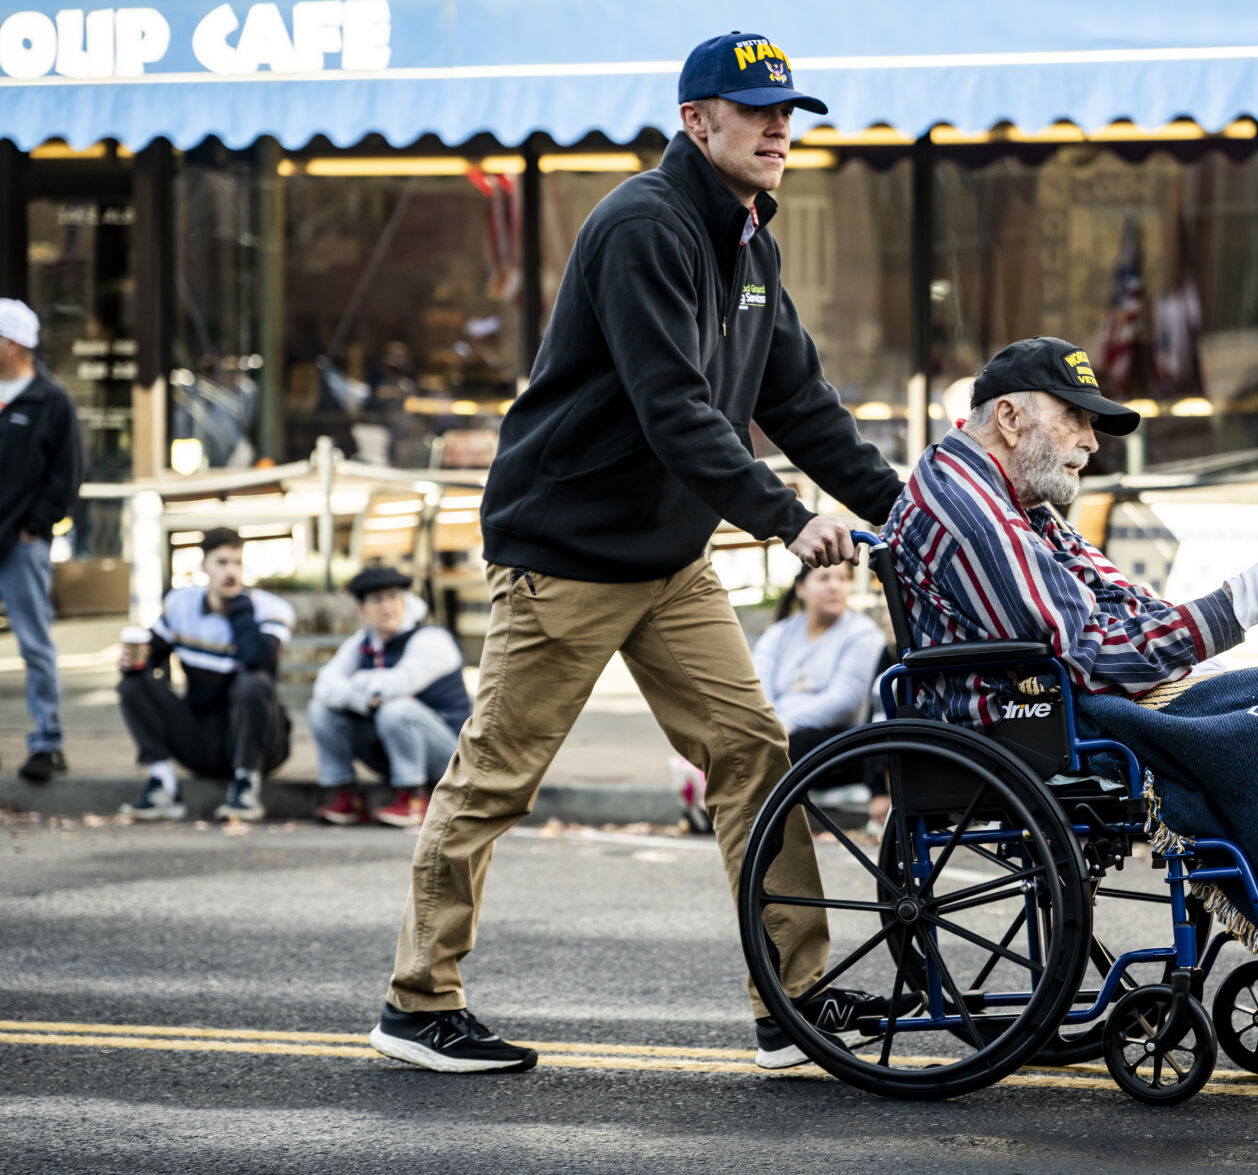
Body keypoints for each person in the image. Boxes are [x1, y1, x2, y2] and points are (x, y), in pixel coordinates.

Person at [369, 30, 913, 1077]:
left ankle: (790, 1002)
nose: (778, 127)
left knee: (755, 749)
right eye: (753, 110)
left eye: (786, 111)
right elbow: (674, 407)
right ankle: (416, 1002)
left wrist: (916, 506)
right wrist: (784, 516)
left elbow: (795, 400)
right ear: (695, 121)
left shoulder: (750, 242)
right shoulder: (641, 227)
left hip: (665, 560)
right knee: (495, 778)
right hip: (564, 550)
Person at [881, 336, 1258, 1071]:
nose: (1088, 443)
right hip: (1048, 719)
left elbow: (1125, 608)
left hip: (1091, 701)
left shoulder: (1019, 500)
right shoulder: (963, 498)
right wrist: (1242, 601)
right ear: (1009, 417)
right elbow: (1093, 650)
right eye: (1075, 420)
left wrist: (1220, 607)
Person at [117, 528, 294, 822]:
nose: (231, 571)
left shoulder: (270, 608)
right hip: (201, 740)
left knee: (252, 681)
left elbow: (257, 659)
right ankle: (162, 786)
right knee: (133, 683)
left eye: (237, 562)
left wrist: (238, 609)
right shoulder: (181, 605)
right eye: (222, 562)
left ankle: (246, 787)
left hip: (261, 744)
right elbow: (150, 659)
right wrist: (131, 662)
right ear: (204, 567)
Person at [309, 567, 470, 828]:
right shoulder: (361, 644)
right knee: (321, 709)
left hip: (449, 755)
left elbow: (397, 684)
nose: (388, 607)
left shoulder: (432, 638)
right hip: (392, 750)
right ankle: (345, 796)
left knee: (396, 709)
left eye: (394, 596)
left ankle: (415, 799)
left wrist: (356, 685)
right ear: (361, 611)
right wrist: (362, 700)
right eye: (377, 600)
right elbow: (324, 685)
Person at [0, 299, 83, 784]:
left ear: (11, 345)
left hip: (22, 545)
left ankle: (47, 740)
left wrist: (37, 524)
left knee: (35, 644)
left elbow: (67, 473)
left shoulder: (51, 401)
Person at [753, 562, 886, 763]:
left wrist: (785, 724)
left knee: (791, 749)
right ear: (800, 588)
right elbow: (758, 689)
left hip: (837, 741)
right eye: (824, 578)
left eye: (842, 578)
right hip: (778, 732)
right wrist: (771, 727)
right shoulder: (778, 634)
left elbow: (845, 700)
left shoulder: (863, 634)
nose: (835, 586)